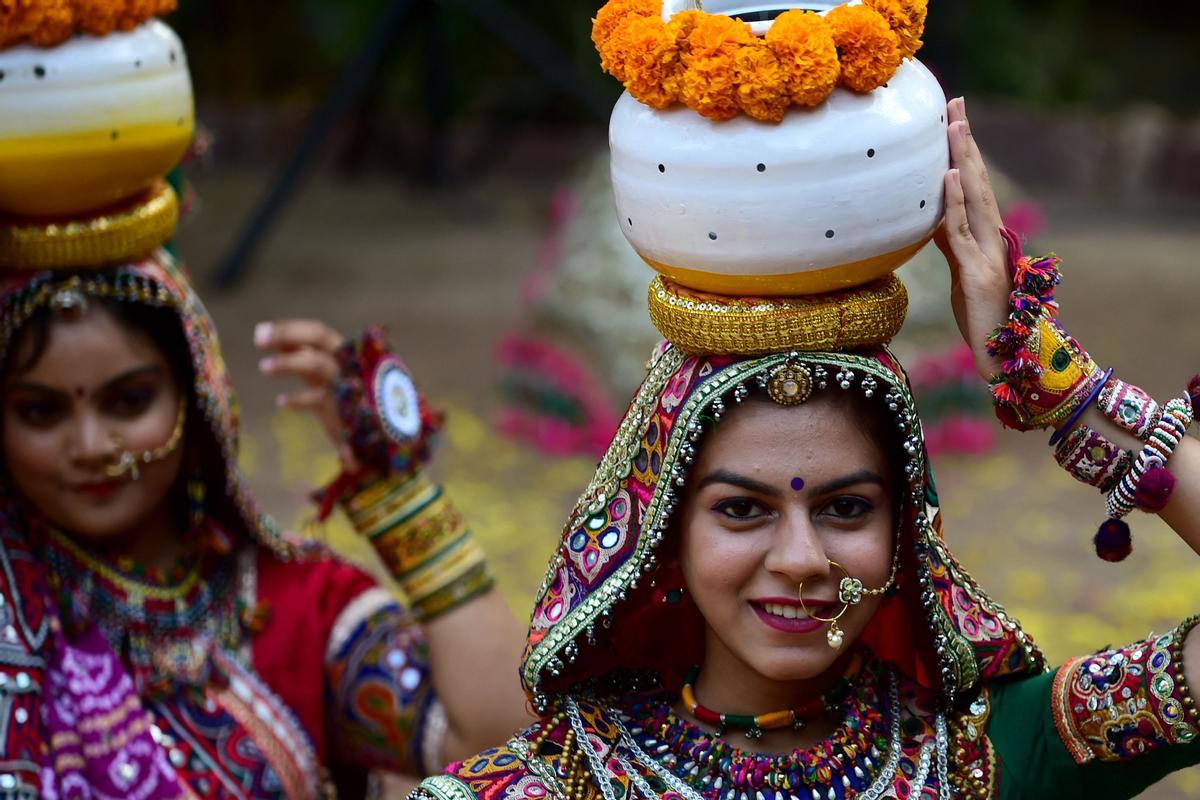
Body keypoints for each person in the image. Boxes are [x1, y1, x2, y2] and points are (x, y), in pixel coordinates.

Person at [410, 2, 1200, 798]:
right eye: (742, 509)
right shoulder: (552, 785)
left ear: (906, 535)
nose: (799, 561)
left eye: (847, 509)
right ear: (664, 533)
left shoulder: (983, 758)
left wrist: (1046, 380)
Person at [0, 7, 528, 797]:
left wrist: (401, 495)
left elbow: (501, 743)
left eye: (129, 400)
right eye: (42, 412)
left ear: (200, 393)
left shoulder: (290, 606)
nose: (91, 444)